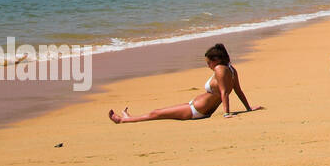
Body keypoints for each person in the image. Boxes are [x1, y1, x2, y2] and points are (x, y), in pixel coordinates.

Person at [109, 43, 256, 123]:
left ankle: (123, 120)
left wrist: (226, 114)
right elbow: (238, 91)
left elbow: (224, 92)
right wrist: (248, 108)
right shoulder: (231, 69)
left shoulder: (219, 69)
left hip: (197, 111)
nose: (208, 65)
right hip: (197, 107)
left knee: (156, 113)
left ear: (216, 60)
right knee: (158, 112)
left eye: (208, 62)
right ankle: (128, 117)